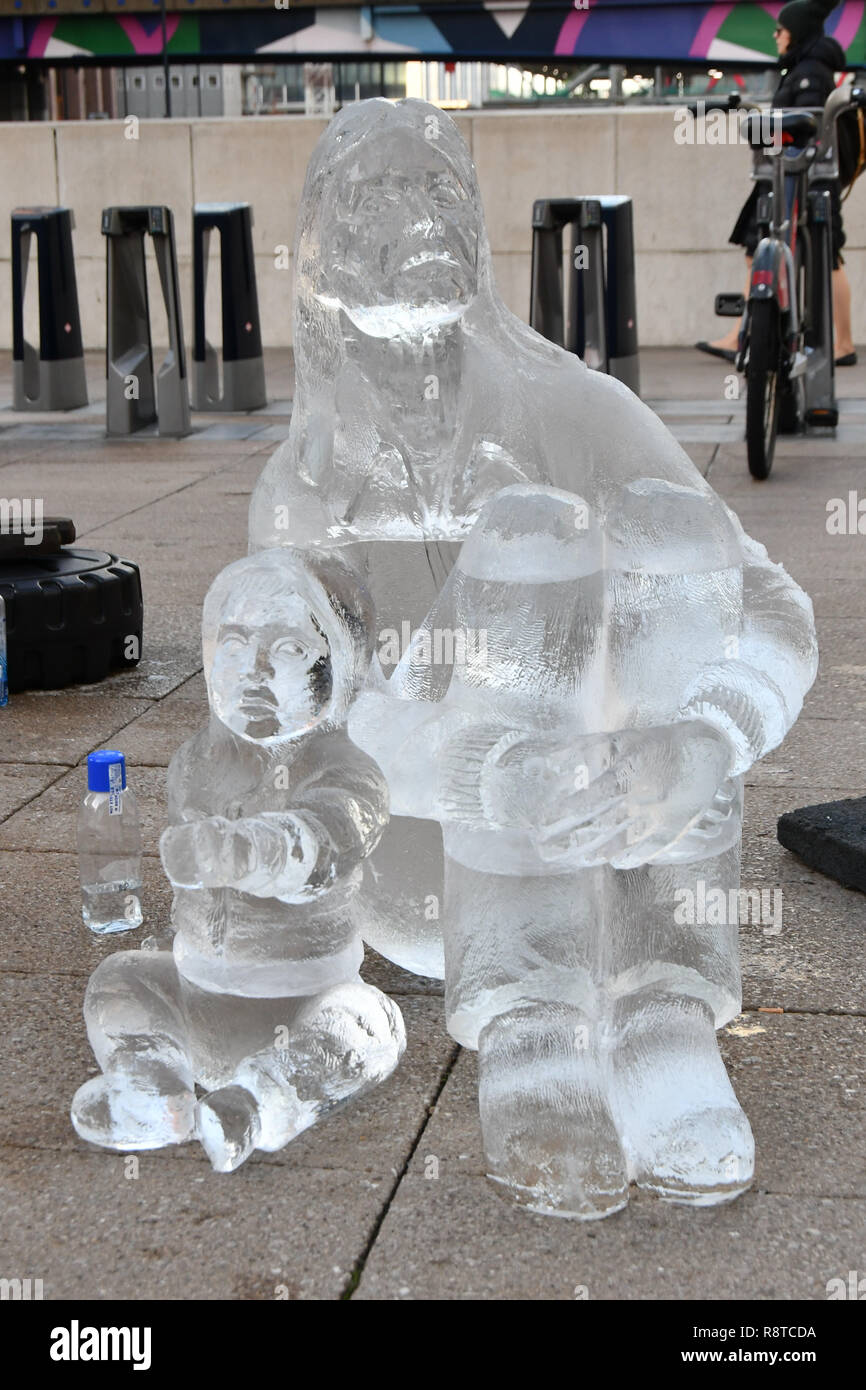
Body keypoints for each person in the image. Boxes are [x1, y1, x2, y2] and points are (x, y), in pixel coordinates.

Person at [697, 0, 856, 366]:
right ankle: (744, 333)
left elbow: (807, 124)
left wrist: (767, 131)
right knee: (776, 250)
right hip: (794, 175)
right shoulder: (804, 67)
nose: (776, 36)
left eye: (780, 30)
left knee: (823, 256)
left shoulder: (810, 72)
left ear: (796, 33)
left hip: (802, 177)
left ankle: (841, 344)